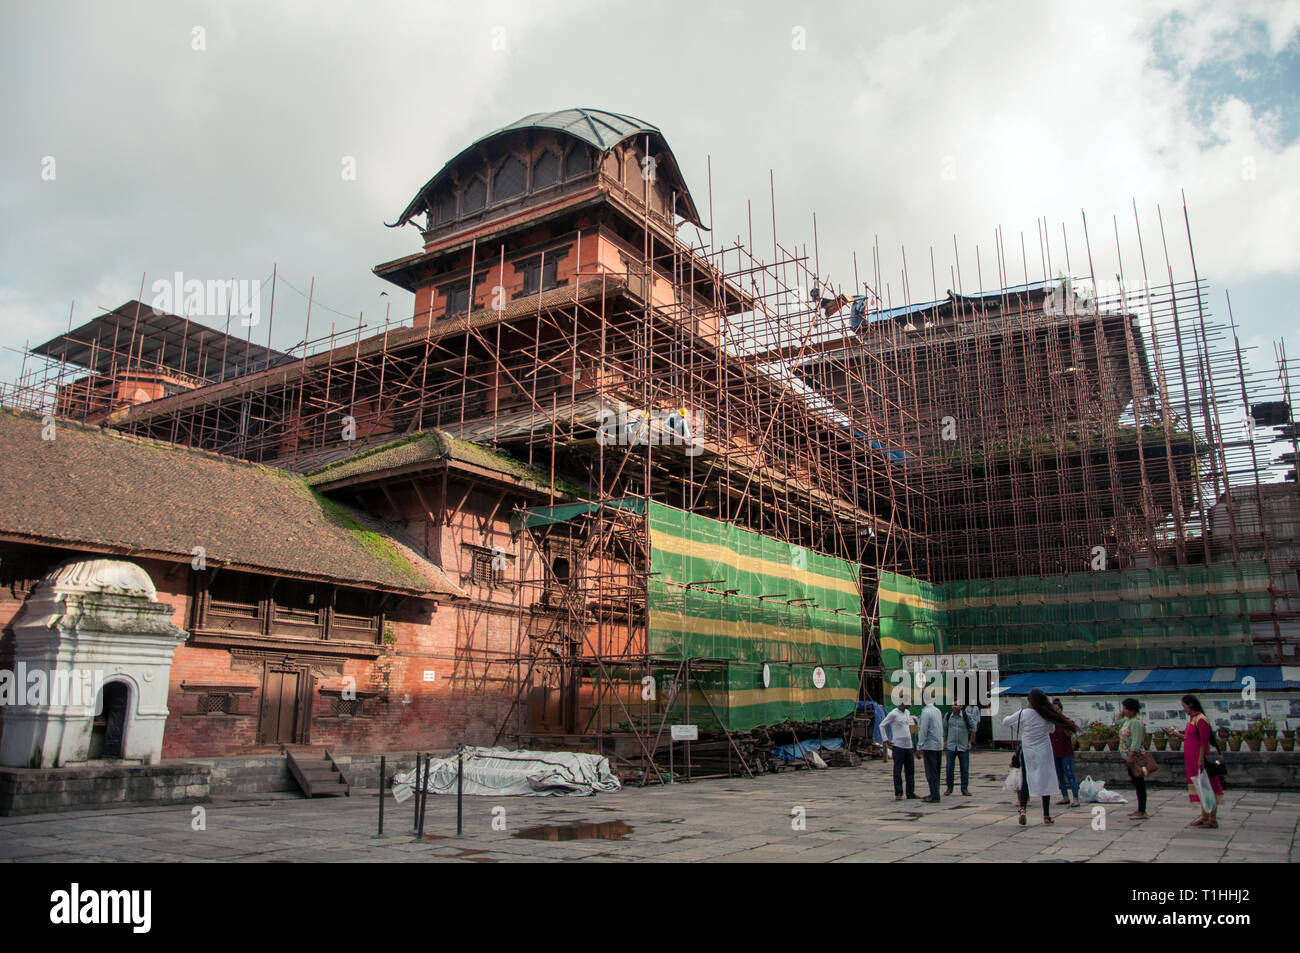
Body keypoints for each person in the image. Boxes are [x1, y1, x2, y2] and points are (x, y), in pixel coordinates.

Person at [1003, 689, 1078, 826]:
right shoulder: (1046, 715)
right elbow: (1051, 730)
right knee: (1046, 781)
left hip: (1028, 751)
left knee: (1026, 778)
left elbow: (1005, 721)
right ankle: (1046, 815)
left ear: (1030, 701)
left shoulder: (1023, 713)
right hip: (1044, 751)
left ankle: (1023, 809)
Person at [1181, 694, 1222, 829]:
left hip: (1200, 758)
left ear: (1190, 705)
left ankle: (1212, 819)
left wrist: (1200, 758)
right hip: (1191, 758)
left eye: (1184, 706)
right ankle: (1204, 816)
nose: (1184, 709)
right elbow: (1189, 737)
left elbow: (1204, 742)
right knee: (1201, 787)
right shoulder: (1192, 720)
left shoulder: (1201, 719)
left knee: (1207, 787)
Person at [1117, 698, 1150, 820]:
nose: (1124, 711)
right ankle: (1139, 809)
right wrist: (1120, 714)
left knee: (1139, 783)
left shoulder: (1135, 722)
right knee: (1136, 783)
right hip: (1127, 756)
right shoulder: (1127, 720)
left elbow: (1136, 741)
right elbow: (1117, 721)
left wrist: (1131, 756)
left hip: (1134, 757)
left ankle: (1142, 810)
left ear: (1132, 709)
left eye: (1125, 708)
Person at [879, 702, 918, 800]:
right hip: (898, 746)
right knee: (898, 770)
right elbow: (882, 725)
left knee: (910, 770)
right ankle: (898, 792)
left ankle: (910, 792)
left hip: (908, 745)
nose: (910, 705)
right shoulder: (893, 713)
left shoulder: (907, 713)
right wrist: (885, 739)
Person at [944, 701, 979, 796]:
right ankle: (949, 788)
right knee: (949, 768)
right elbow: (945, 730)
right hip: (951, 746)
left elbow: (973, 728)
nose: (954, 706)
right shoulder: (948, 716)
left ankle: (964, 788)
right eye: (953, 704)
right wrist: (944, 742)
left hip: (963, 746)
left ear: (961, 706)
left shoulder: (966, 716)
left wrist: (970, 742)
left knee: (964, 768)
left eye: (957, 705)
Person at [1050, 699, 1080, 807]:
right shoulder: (1050, 723)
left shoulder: (1066, 721)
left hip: (1066, 753)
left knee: (1070, 775)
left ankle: (1076, 798)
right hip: (1055, 752)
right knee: (1059, 776)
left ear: (1061, 710)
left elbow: (1070, 734)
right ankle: (1065, 797)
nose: (1055, 712)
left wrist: (1065, 726)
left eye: (1057, 709)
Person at [917, 700, 944, 802]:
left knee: (930, 772)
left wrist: (919, 746)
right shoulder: (937, 711)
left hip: (929, 746)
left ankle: (934, 796)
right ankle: (934, 792)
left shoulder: (925, 712)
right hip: (938, 745)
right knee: (936, 771)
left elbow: (923, 730)